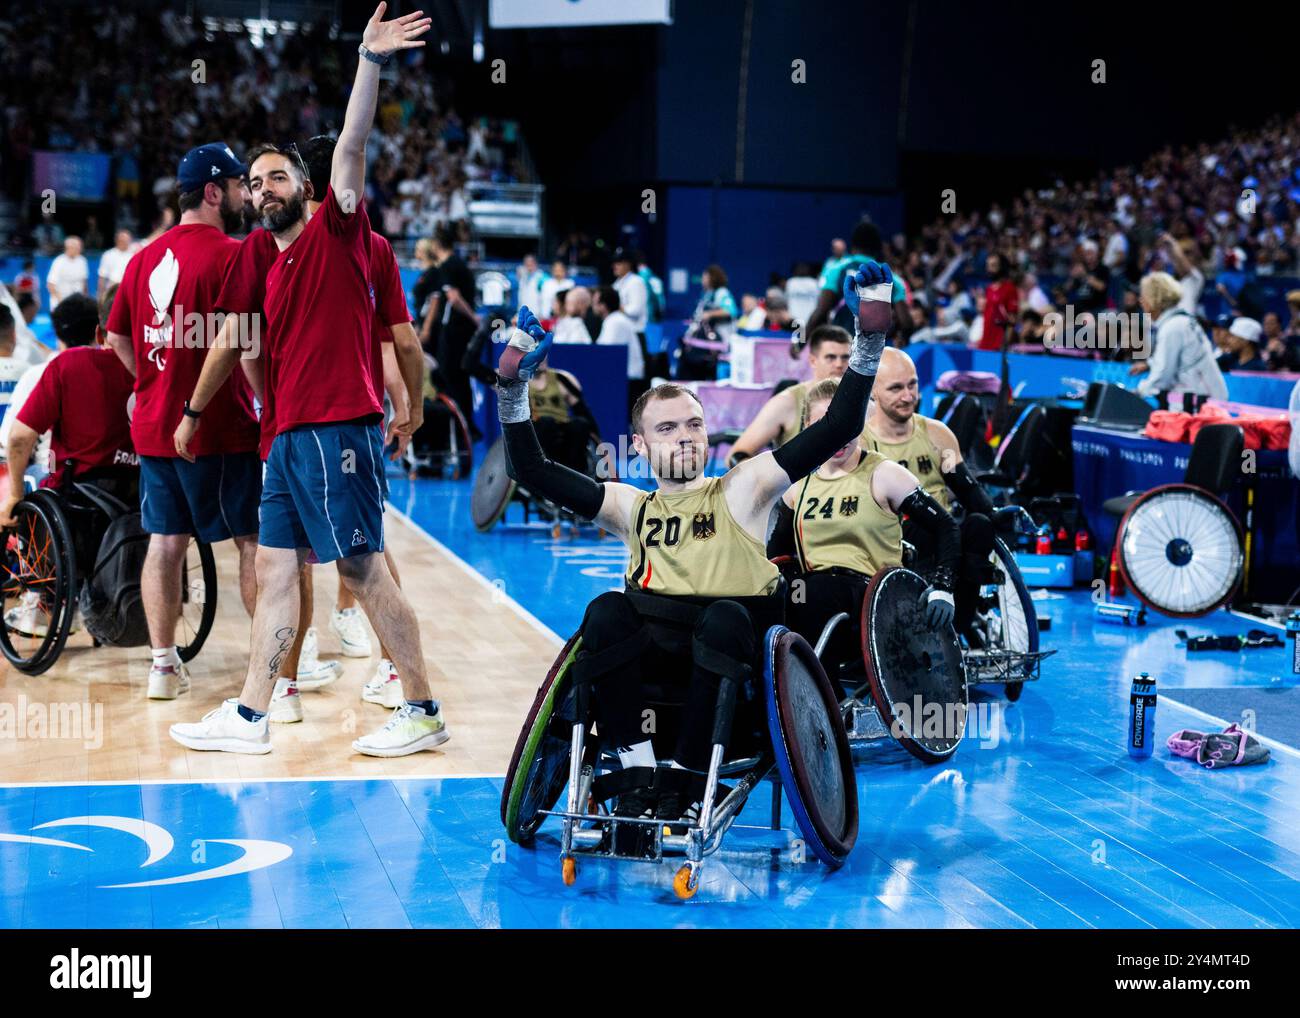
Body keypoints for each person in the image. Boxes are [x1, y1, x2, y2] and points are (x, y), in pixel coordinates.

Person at [493, 259, 891, 841]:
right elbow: (530, 469)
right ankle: (634, 765)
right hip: (649, 664)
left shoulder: (746, 487)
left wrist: (870, 340)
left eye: (694, 425)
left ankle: (686, 772)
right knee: (605, 609)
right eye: (667, 428)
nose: (685, 436)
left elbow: (837, 426)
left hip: (732, 662)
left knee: (726, 617)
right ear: (641, 444)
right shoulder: (630, 507)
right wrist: (513, 389)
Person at [168, 5, 445, 757]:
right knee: (276, 568)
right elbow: (237, 345)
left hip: (335, 430)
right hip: (287, 438)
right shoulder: (273, 263)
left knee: (360, 565)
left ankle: (420, 706)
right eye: (254, 183)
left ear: (305, 185)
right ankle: (254, 714)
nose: (264, 189)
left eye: (277, 176)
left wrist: (370, 60)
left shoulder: (339, 230)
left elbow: (352, 143)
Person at [105, 141, 262, 701]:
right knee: (251, 542)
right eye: (243, 185)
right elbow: (244, 346)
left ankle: (163, 668)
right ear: (215, 192)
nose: (249, 195)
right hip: (217, 431)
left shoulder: (142, 257)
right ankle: (269, 673)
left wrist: (151, 380)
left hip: (153, 429)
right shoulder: (233, 254)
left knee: (165, 544)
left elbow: (118, 337)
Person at [767, 377, 960, 671]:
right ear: (808, 429)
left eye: (845, 424)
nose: (837, 436)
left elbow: (945, 526)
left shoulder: (885, 474)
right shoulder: (797, 488)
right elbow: (775, 556)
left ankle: (816, 692)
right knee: (770, 598)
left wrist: (943, 585)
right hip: (813, 592)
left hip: (873, 598)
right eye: (825, 426)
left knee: (811, 593)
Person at [0, 290, 137, 639]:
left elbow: (16, 439)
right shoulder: (155, 369)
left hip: (79, 496)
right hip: (140, 494)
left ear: (99, 333)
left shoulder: (64, 366)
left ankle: (40, 602)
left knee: (27, 493)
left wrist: (14, 493)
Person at [863, 348, 1000, 635]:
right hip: (894, 540)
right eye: (896, 388)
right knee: (926, 528)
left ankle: (962, 620)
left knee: (980, 525)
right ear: (873, 391)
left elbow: (968, 492)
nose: (908, 395)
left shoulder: (937, 435)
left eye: (912, 384)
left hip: (946, 538)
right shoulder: (861, 443)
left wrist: (1000, 516)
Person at [728, 324, 858, 461]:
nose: (839, 364)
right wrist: (766, 479)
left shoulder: (863, 399)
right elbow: (736, 456)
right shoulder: (786, 402)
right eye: (831, 357)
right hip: (799, 481)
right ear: (813, 361)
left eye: (845, 357)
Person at [1132, 272, 1227, 404]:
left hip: (1203, 404)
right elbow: (1183, 358)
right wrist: (1149, 364)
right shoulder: (1180, 321)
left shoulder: (1173, 327)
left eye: (1144, 296)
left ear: (1155, 299)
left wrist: (1138, 392)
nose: (1141, 301)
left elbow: (1162, 377)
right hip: (1205, 398)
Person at [421, 224, 480, 436]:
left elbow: (454, 298)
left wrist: (474, 318)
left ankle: (461, 427)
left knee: (451, 377)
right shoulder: (457, 264)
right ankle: (463, 426)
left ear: (437, 245)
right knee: (456, 377)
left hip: (456, 329)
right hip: (458, 329)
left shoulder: (449, 265)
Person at [594, 285, 644, 415]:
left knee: (621, 420)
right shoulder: (613, 320)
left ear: (603, 306)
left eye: (595, 303)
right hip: (624, 380)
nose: (592, 306)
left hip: (628, 382)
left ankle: (621, 437)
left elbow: (608, 353)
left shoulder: (615, 322)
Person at [46, 236, 89, 310]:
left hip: (77, 303)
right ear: (69, 248)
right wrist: (61, 303)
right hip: (60, 303)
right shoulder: (59, 261)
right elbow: (50, 285)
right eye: (77, 247)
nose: (80, 249)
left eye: (80, 247)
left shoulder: (82, 260)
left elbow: (84, 283)